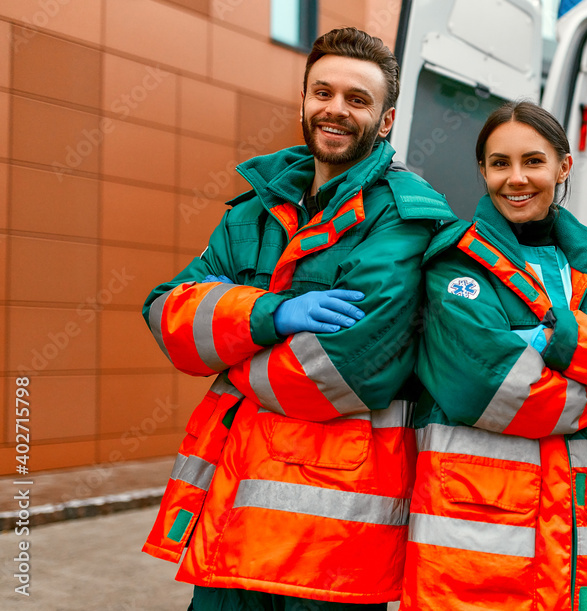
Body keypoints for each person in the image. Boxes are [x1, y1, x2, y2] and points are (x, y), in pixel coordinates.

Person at [140, 27, 455, 610]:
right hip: (230, 521)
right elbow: (166, 316)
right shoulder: (256, 209)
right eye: (322, 92)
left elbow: (352, 372)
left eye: (357, 100)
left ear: (385, 121)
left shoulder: (405, 218)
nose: (335, 110)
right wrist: (269, 314)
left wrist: (231, 346)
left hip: (332, 544)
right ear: (304, 100)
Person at [400, 101, 587, 611]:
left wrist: (559, 341)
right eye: (500, 163)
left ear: (562, 166)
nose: (516, 178)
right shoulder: (455, 261)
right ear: (482, 170)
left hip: (577, 537)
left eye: (533, 160)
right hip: (474, 541)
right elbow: (489, 383)